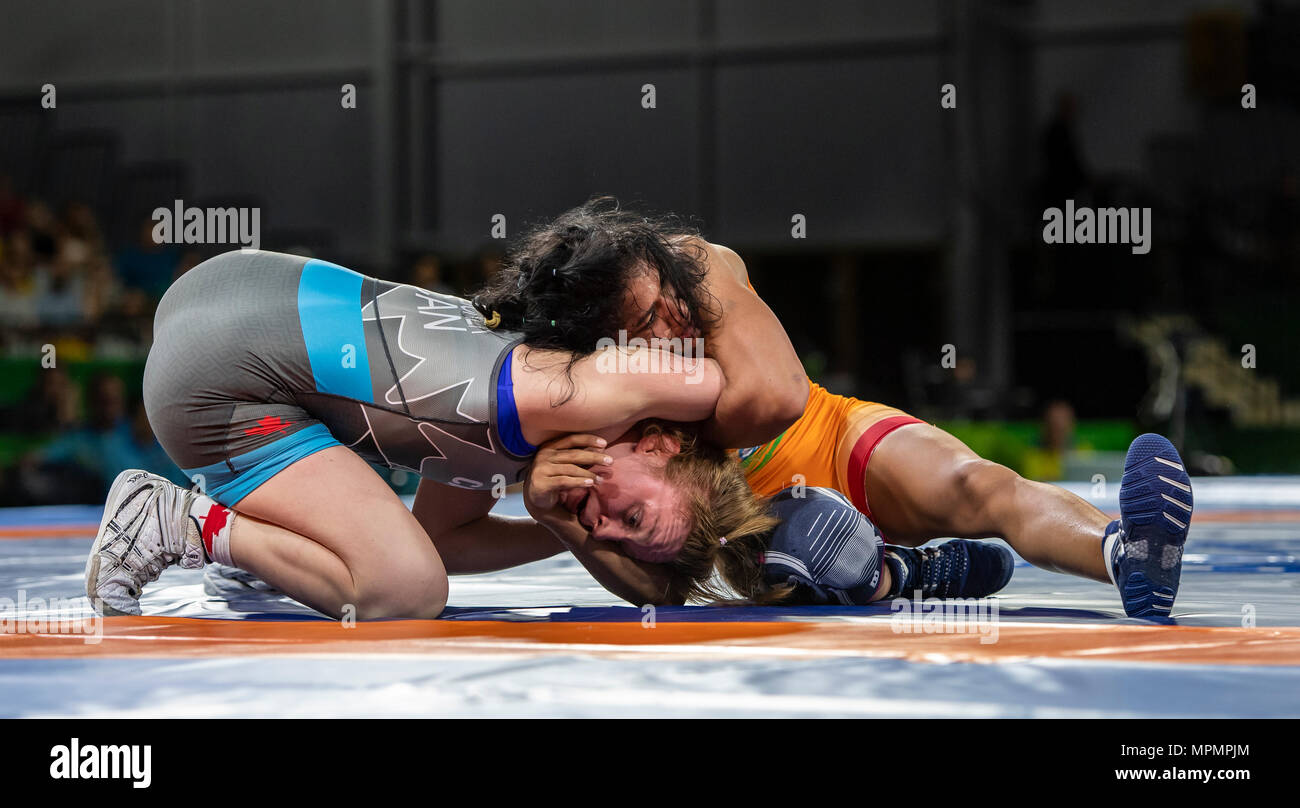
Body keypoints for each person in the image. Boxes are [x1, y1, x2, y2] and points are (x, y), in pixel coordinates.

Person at [473, 198, 1194, 618]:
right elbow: (663, 591)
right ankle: (906, 574)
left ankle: (1127, 554)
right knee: (789, 544)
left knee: (981, 485)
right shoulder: (562, 390)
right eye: (647, 324)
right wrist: (558, 518)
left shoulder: (697, 264)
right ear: (592, 342)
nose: (673, 323)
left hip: (823, 432)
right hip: (750, 530)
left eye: (667, 297)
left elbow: (778, 400)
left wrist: (683, 434)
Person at [86, 249, 785, 619]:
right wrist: (707, 259)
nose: (605, 526)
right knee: (404, 593)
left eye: (615, 538)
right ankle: (180, 522)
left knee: (406, 557)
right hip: (218, 388)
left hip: (237, 289)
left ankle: (261, 554)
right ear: (662, 444)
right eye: (631, 516)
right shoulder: (611, 390)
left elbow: (444, 542)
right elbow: (774, 392)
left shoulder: (545, 450)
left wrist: (559, 521)